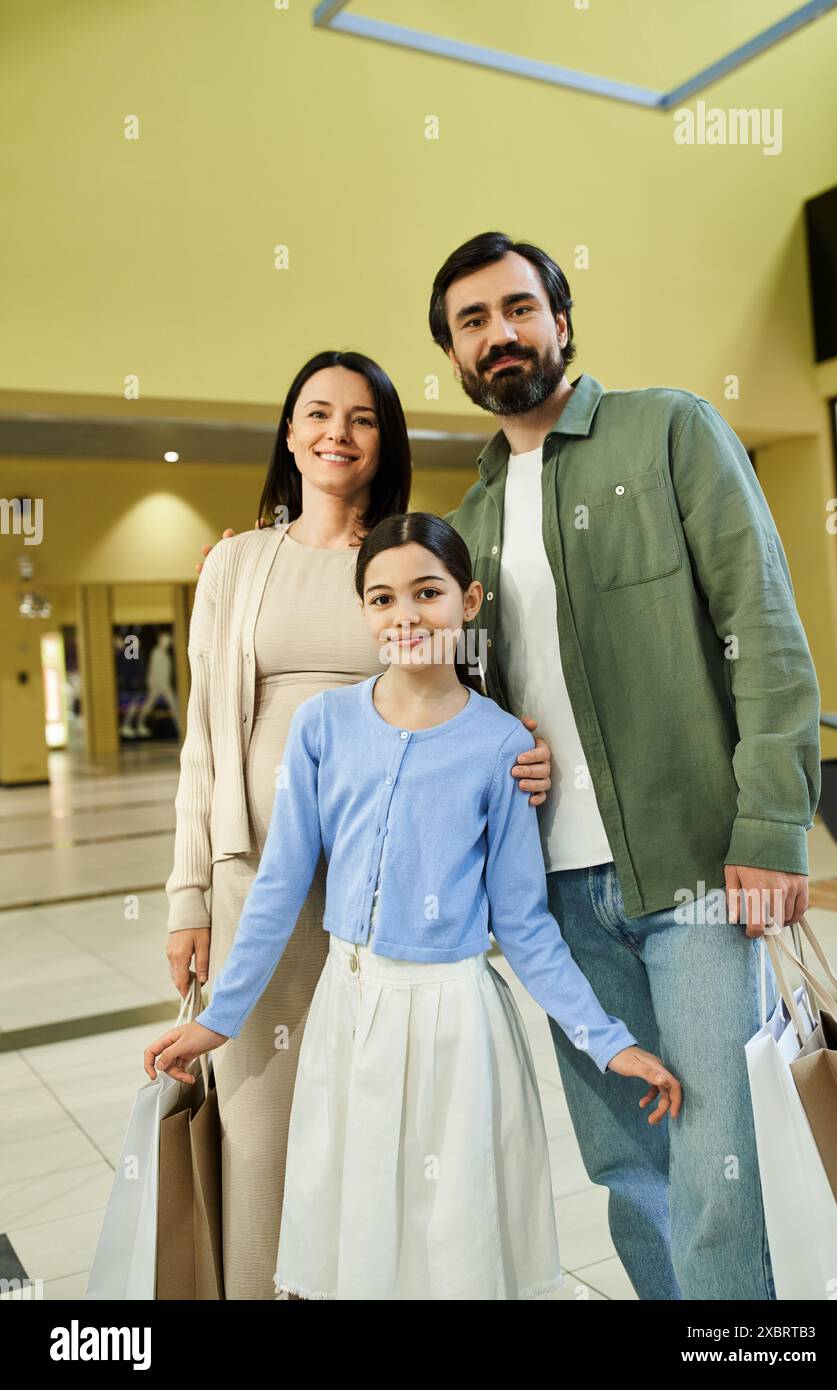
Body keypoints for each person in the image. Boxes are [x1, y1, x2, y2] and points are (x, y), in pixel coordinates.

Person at [146, 513, 682, 1301]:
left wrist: (609, 1043)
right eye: (382, 598)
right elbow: (280, 888)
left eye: (427, 593)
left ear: (468, 602)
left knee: (452, 1233)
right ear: (362, 611)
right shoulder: (323, 726)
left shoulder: (502, 745)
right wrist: (217, 1019)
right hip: (349, 1011)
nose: (405, 617)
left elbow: (526, 927)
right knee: (358, 1224)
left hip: (456, 1024)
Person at [428, 230, 822, 1300]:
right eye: (472, 322)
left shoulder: (667, 431)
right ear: (455, 357)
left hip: (691, 869)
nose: (499, 333)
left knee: (712, 1157)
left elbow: (763, 626)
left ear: (560, 321)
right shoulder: (463, 528)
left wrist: (769, 826)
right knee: (625, 1163)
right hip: (548, 896)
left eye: (518, 307)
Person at [163, 350, 553, 1298]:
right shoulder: (236, 565)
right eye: (317, 413)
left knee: (382, 1122)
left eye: (362, 418)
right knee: (260, 1118)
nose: (337, 432)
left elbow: (480, 693)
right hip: (256, 871)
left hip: (394, 879)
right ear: (290, 433)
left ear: (385, 442)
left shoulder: (415, 554)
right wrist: (186, 895)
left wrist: (526, 745)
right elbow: (203, 744)